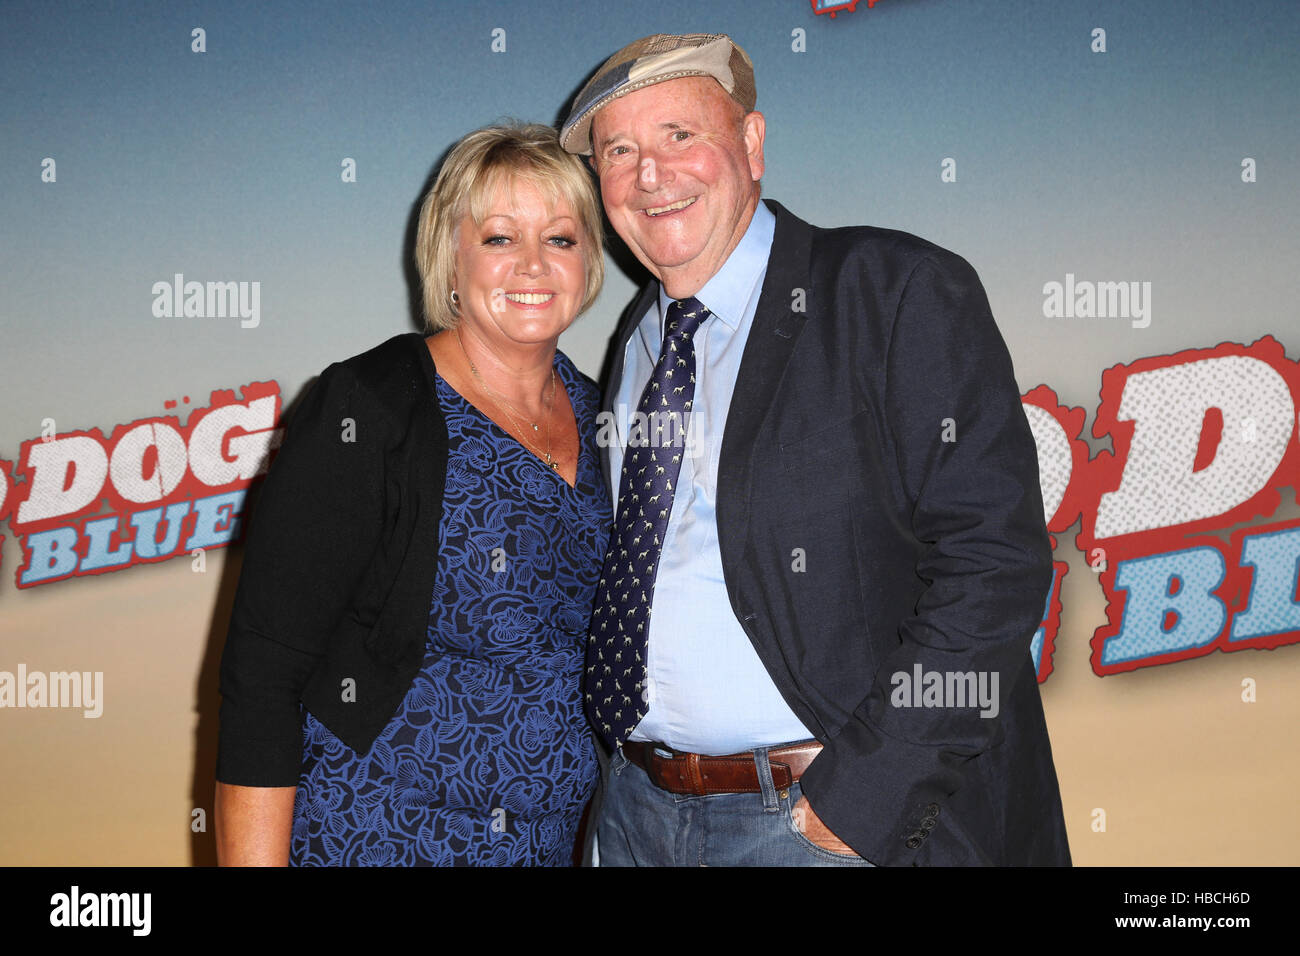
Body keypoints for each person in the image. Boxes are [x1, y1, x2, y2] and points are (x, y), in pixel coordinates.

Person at [561, 33, 1071, 866]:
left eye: (679, 136)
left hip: (819, 825)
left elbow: (994, 567)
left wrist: (868, 798)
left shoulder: (893, 289)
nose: (651, 174)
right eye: (619, 151)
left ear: (752, 144)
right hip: (635, 817)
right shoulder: (639, 341)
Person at [213, 122, 610, 866]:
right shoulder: (368, 408)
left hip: (546, 847)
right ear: (450, 259)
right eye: (498, 238)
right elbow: (263, 682)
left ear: (588, 261)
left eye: (560, 238)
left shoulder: (606, 416)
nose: (532, 264)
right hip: (379, 839)